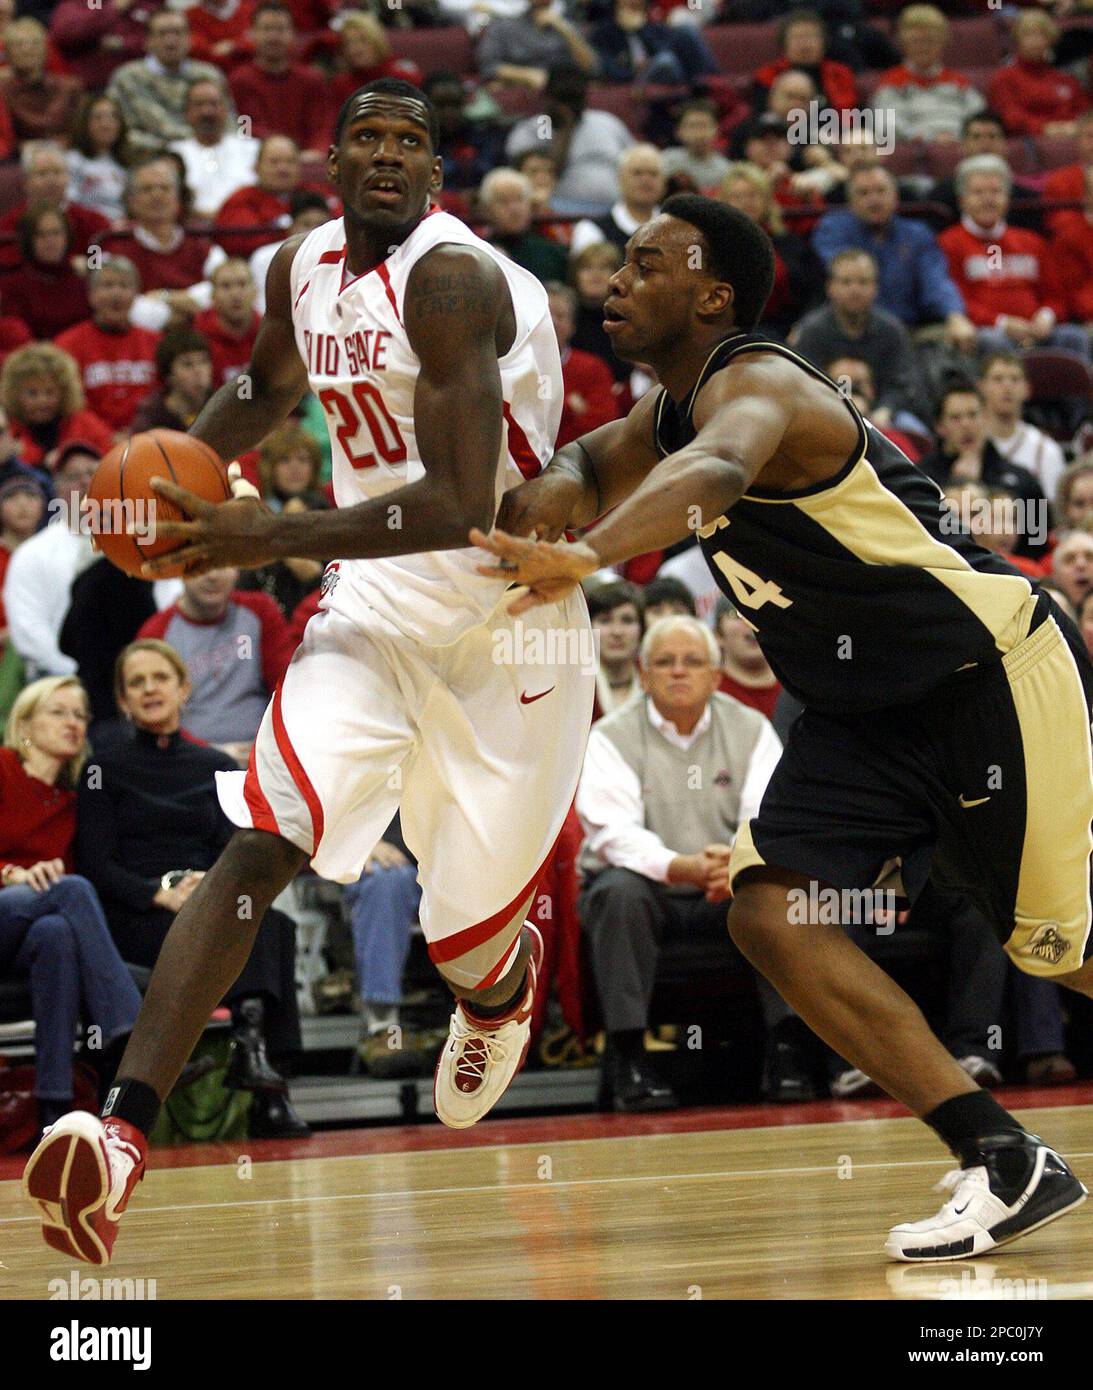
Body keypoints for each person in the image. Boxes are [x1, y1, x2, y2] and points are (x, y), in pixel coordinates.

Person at [24, 77, 598, 1269]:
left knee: (460, 935)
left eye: (411, 142)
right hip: (375, 603)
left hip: (510, 615)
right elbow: (266, 389)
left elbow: (457, 503)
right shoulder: (301, 263)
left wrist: (269, 533)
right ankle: (121, 1132)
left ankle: (495, 988)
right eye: (366, 139)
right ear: (329, 165)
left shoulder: (452, 280)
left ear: (435, 173)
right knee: (264, 840)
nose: (388, 156)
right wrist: (165, 481)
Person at [473, 192, 1093, 1262]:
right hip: (859, 716)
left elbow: (714, 473)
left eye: (647, 263)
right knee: (769, 912)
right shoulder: (665, 413)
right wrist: (539, 503)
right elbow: (590, 463)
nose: (615, 279)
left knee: (1060, 949)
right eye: (620, 261)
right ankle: (1001, 1157)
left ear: (714, 296)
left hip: (983, 676)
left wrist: (591, 552)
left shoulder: (762, 383)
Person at [76, 639, 308, 1138]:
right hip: (136, 908)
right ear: (122, 701)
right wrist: (159, 892)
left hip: (206, 895)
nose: (149, 689)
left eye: (160, 678)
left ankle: (260, 1066)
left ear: (183, 689)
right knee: (218, 928)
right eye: (136, 683)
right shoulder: (101, 769)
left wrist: (207, 887)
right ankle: (253, 1064)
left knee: (271, 924)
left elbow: (236, 849)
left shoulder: (213, 766)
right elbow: (96, 863)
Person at [577, 615, 798, 1111]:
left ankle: (788, 1051)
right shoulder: (608, 736)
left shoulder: (752, 729)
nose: (678, 671)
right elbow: (613, 834)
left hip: (726, 888)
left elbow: (765, 819)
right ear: (643, 673)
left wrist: (731, 865)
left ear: (716, 675)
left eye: (692, 662)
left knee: (774, 891)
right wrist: (683, 866)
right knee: (616, 892)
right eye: (664, 662)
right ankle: (629, 1057)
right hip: (651, 892)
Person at [0, 675, 141, 1135]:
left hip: (30, 931)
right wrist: (11, 874)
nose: (74, 723)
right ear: (25, 723)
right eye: (59, 712)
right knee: (72, 889)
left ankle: (54, 1109)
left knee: (56, 935)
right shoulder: (3, 768)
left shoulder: (74, 799)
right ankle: (131, 1028)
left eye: (81, 714)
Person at [938, 154, 1089, 363]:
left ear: (1007, 198)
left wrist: (1046, 316)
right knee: (993, 341)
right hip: (989, 332)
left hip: (1037, 331)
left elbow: (1056, 297)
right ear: (962, 201)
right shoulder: (948, 243)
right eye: (978, 192)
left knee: (1074, 337)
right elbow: (958, 301)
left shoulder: (1032, 242)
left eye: (995, 192)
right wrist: (1002, 323)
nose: (988, 199)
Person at [136, 566, 295, 759]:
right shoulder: (156, 634)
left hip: (264, 754)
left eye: (221, 564)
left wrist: (269, 749)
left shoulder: (260, 610)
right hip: (188, 758)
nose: (212, 575)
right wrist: (210, 754)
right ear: (180, 570)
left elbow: (289, 690)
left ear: (237, 569)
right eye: (200, 566)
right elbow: (152, 716)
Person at [813, 164, 976, 346]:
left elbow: (936, 280)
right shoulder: (833, 231)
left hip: (910, 330)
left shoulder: (917, 234)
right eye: (863, 193)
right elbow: (845, 280)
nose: (874, 200)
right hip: (851, 331)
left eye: (881, 191)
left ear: (895, 196)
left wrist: (955, 315)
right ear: (850, 201)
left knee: (956, 340)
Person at [790, 248, 928, 433]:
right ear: (830, 287)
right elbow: (801, 387)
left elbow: (904, 384)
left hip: (884, 415)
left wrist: (884, 410)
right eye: (846, 282)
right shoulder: (811, 332)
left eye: (863, 282)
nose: (855, 290)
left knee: (914, 430)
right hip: (825, 415)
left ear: (875, 288)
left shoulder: (892, 331)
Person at [916, 382, 1048, 560]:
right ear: (940, 426)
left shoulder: (1022, 480)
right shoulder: (921, 479)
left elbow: (1039, 542)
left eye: (973, 415)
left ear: (986, 418)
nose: (966, 424)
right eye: (955, 418)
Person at [2, 441, 97, 680]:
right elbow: (29, 628)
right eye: (73, 476)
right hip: (57, 680)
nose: (85, 482)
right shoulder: (32, 554)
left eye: (93, 473)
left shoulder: (133, 543)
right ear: (57, 488)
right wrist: (74, 673)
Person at [504, 66, 633, 217]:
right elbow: (538, 173)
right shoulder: (536, 128)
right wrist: (564, 129)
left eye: (573, 99)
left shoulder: (607, 122)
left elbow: (636, 160)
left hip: (615, 211)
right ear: (547, 98)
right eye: (562, 99)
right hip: (557, 211)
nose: (568, 106)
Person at [53, 257, 160, 435]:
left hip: (149, 439)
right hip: (89, 442)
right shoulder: (66, 345)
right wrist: (106, 437)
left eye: (124, 285)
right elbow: (69, 405)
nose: (116, 293)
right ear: (91, 295)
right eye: (108, 285)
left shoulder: (157, 343)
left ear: (136, 295)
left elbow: (165, 400)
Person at [107, 8, 234, 153]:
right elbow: (121, 133)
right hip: (150, 156)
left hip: (208, 153)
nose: (171, 42)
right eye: (162, 34)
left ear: (189, 38)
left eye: (177, 33)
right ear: (148, 40)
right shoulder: (128, 78)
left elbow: (230, 124)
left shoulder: (209, 76)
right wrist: (173, 149)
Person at [228, 3, 330, 166]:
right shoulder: (239, 81)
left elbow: (322, 127)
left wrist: (316, 151)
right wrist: (281, 154)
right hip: (258, 163)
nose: (274, 37)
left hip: (307, 163)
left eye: (281, 29)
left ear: (293, 34)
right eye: (267, 29)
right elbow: (244, 129)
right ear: (252, 34)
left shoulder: (312, 80)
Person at [871, 3, 986, 145]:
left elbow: (979, 117)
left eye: (930, 40)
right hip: (914, 150)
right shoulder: (891, 82)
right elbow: (885, 124)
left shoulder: (959, 83)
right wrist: (925, 137)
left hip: (959, 147)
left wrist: (958, 137)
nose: (923, 47)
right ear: (903, 43)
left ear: (943, 43)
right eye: (916, 41)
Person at [1, 345, 112, 469]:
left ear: (64, 392)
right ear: (15, 393)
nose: (42, 401)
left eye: (50, 392)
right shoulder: (7, 430)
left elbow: (110, 461)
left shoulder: (86, 425)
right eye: (32, 393)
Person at [977, 353, 1067, 506]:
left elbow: (1053, 511)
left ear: (1027, 389)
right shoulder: (968, 443)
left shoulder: (1046, 450)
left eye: (1015, 379)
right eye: (998, 379)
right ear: (981, 387)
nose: (1007, 386)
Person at [988, 9, 1089, 140]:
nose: (1035, 41)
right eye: (1028, 34)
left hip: (1071, 140)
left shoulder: (1065, 79)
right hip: (1028, 143)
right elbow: (1010, 117)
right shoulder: (1004, 78)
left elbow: (1085, 113)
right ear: (1017, 39)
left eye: (1042, 35)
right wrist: (1044, 128)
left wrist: (1077, 126)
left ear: (1050, 40)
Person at [170, 79, 258, 220]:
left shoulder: (252, 149)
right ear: (187, 112)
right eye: (199, 105)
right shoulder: (174, 154)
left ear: (227, 109)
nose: (207, 112)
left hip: (246, 226)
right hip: (192, 229)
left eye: (214, 104)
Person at [0, 206, 91, 341]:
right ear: (28, 240)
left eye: (56, 233)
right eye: (41, 234)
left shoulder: (82, 281)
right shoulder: (12, 286)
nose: (50, 240)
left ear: (67, 237)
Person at [546, 280, 619, 448]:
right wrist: (568, 407)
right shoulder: (519, 366)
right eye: (547, 315)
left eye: (560, 316)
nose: (553, 322)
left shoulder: (593, 368)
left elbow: (603, 426)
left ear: (572, 326)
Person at [477, 0, 598, 91]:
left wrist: (563, 28)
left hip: (563, 91)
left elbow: (591, 67)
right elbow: (489, 66)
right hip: (521, 88)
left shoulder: (567, 24)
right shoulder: (504, 25)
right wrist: (527, 76)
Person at [569, 144, 665, 260]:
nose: (646, 180)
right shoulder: (591, 230)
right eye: (637, 173)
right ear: (620, 179)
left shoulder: (676, 229)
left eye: (653, 174)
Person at [479, 168, 567, 284]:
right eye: (503, 201)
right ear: (486, 209)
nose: (514, 209)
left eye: (519, 199)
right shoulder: (479, 254)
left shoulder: (553, 254)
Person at [0, 17, 81, 144]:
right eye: (18, 44)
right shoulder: (3, 90)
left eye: (35, 43)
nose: (27, 50)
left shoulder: (69, 88)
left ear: (46, 49)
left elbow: (80, 130)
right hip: (16, 153)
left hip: (65, 151)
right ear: (8, 52)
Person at [66, 94, 137, 223]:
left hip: (124, 226)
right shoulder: (72, 160)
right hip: (87, 226)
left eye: (113, 117)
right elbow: (69, 204)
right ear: (85, 123)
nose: (106, 124)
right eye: (98, 117)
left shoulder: (128, 164)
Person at [131, 327, 214, 433]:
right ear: (169, 374)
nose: (198, 371)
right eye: (187, 364)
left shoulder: (223, 406)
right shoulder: (151, 417)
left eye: (203, 361)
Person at [192, 259, 260, 387]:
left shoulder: (269, 333)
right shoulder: (196, 337)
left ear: (255, 291)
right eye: (226, 286)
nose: (235, 294)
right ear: (212, 295)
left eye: (242, 284)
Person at [714, 597, 780, 719]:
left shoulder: (800, 688)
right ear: (717, 634)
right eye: (737, 615)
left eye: (761, 612)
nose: (750, 623)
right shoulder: (708, 695)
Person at [587, 578, 642, 719]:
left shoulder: (656, 683)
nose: (617, 632)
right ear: (588, 626)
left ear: (642, 629)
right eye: (605, 621)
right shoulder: (572, 687)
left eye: (627, 620)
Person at [661, 99, 731, 195]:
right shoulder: (665, 161)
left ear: (716, 129)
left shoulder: (725, 170)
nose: (699, 133)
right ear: (678, 131)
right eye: (692, 126)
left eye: (704, 125)